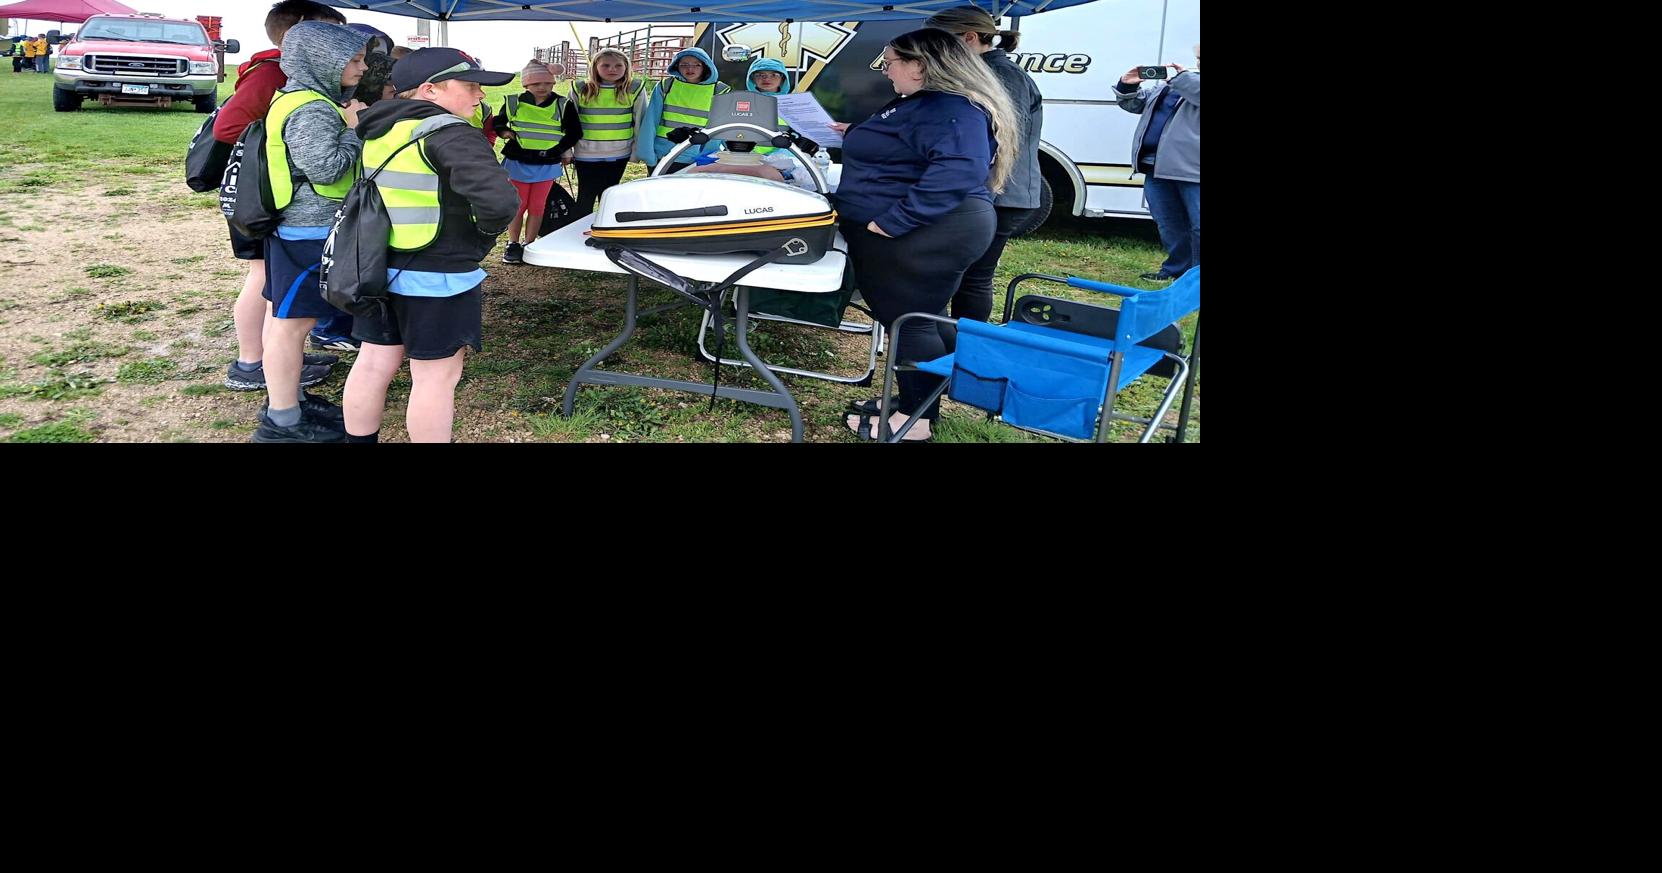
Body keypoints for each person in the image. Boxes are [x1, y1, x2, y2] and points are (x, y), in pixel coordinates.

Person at [834, 28, 1016, 441]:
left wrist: (894, 221)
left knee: (909, 324)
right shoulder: (925, 103)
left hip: (922, 232)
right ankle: (919, 401)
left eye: (890, 62)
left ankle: (916, 422)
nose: (886, 71)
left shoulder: (952, 108)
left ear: (919, 66)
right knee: (920, 321)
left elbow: (957, 170)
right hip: (925, 230)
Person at [341, 48, 520, 443]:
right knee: (436, 376)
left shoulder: (378, 128)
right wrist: (481, 239)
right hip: (439, 273)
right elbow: (502, 203)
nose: (480, 96)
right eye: (471, 86)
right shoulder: (454, 133)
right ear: (430, 90)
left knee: (372, 363)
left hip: (373, 265)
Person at [218, 0, 349, 393]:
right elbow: (228, 128)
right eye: (332, 34)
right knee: (264, 279)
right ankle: (250, 362)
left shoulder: (290, 77)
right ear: (302, 34)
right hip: (265, 198)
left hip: (276, 195)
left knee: (283, 301)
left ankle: (278, 362)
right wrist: (281, 145)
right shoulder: (273, 74)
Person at [249, 21, 369, 443]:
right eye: (353, 59)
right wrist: (356, 129)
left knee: (287, 318)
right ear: (323, 61)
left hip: (300, 227)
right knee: (291, 323)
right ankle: (282, 420)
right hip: (307, 229)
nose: (363, 67)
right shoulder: (312, 108)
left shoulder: (303, 98)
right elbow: (327, 168)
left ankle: (288, 404)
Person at [925, 6, 1043, 337]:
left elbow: (998, 140)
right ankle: (956, 349)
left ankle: (964, 352)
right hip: (993, 191)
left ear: (970, 39)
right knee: (966, 275)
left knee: (972, 276)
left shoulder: (1002, 77)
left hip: (998, 193)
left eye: (940, 44)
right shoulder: (988, 72)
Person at [1116, 42, 1199, 282]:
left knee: (1198, 226)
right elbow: (1136, 104)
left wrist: (1181, 78)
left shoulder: (1186, 82)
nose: (1199, 62)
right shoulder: (1174, 84)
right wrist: (1127, 85)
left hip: (1193, 171)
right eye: (1199, 57)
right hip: (1156, 167)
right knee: (1169, 223)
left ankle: (1195, 280)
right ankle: (1175, 270)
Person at [495, 60, 577, 264]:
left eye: (548, 84)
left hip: (547, 163)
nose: (543, 88)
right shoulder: (514, 102)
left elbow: (574, 132)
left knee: (537, 206)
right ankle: (513, 244)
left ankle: (529, 244)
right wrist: (504, 132)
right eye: (536, 84)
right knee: (518, 205)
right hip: (518, 162)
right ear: (526, 85)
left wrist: (558, 151)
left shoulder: (562, 103)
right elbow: (498, 122)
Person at [563, 47, 646, 216]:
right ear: (595, 67)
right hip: (586, 152)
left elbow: (640, 120)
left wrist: (637, 150)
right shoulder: (580, 88)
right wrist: (566, 150)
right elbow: (568, 122)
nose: (612, 69)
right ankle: (579, 233)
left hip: (619, 152)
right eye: (605, 65)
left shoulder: (634, 88)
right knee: (585, 195)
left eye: (618, 66)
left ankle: (604, 230)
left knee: (609, 194)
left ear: (626, 67)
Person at [635, 47, 730, 174]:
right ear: (676, 66)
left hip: (695, 159)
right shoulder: (665, 86)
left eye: (696, 65)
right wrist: (647, 155)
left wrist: (705, 158)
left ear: (705, 66)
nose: (690, 69)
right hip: (661, 156)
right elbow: (650, 121)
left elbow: (717, 129)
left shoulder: (720, 90)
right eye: (684, 64)